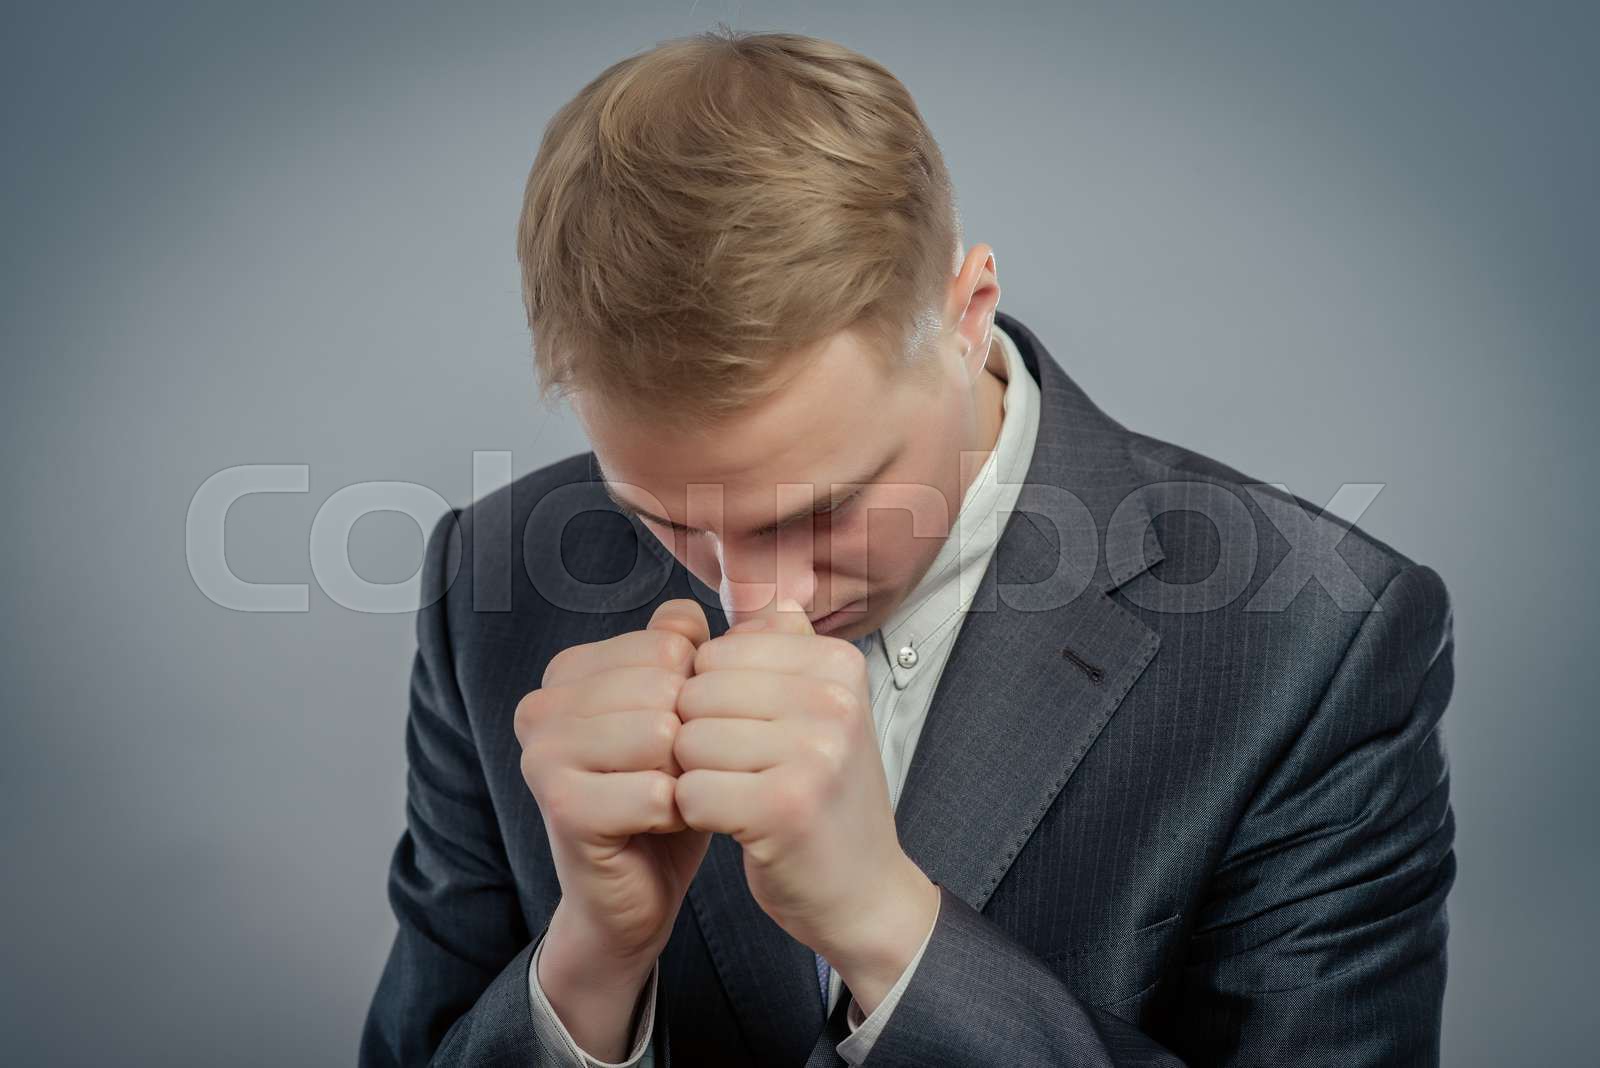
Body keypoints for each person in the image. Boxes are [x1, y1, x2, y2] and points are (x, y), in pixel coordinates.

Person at [360, 28, 1456, 1068]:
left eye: (821, 508)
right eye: (669, 517)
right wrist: (588, 969)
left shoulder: (1316, 642)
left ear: (966, 312)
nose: (758, 599)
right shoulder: (491, 582)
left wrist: (891, 934)